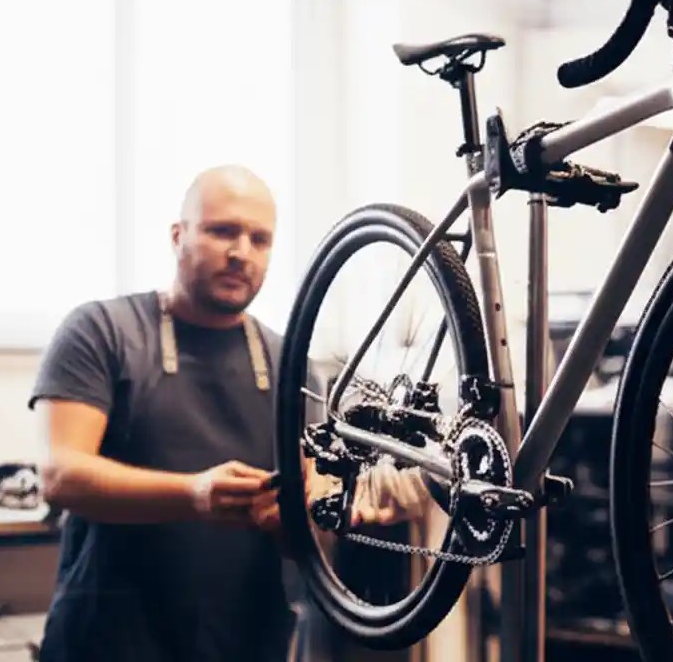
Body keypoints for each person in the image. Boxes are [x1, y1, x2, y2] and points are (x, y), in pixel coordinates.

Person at [29, 164, 428, 662]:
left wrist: (313, 514)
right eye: (223, 232)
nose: (241, 253)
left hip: (245, 640)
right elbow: (60, 475)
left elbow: (303, 525)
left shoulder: (293, 366)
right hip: (109, 641)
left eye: (259, 240)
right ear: (178, 236)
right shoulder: (102, 331)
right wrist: (194, 495)